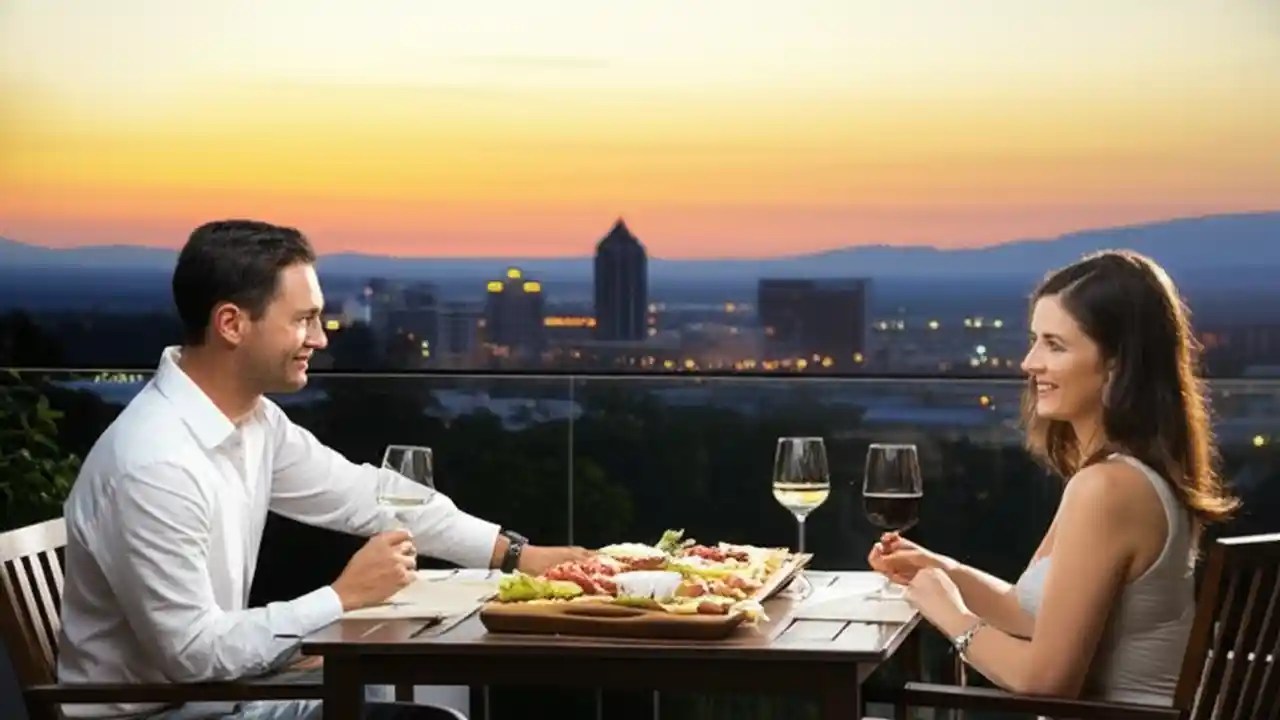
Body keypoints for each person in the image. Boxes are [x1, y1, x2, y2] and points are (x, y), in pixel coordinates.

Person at [57, 220, 591, 719]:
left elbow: (371, 496)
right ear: (231, 324)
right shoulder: (156, 464)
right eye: (303, 319)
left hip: (221, 701)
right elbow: (194, 655)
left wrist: (520, 556)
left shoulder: (252, 422)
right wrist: (341, 597)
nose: (321, 338)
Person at [869, 249, 1238, 705]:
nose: (1029, 362)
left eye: (1054, 345)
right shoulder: (1119, 476)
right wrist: (942, 570)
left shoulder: (1108, 489)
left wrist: (950, 614)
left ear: (1116, 365)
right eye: (1034, 340)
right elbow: (1030, 615)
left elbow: (1047, 682)